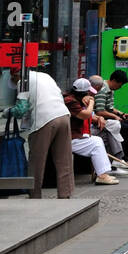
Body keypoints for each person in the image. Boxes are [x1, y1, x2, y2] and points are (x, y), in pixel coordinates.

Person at [27, 68, 73, 198]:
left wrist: (9, 111)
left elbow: (21, 108)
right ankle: (66, 193)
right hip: (63, 115)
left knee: (37, 160)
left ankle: (34, 194)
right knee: (64, 158)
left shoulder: (23, 81)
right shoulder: (45, 76)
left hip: (44, 119)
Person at [64, 78, 119, 185]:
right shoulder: (70, 101)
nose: (91, 96)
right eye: (89, 93)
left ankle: (104, 172)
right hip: (69, 138)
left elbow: (89, 116)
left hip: (76, 134)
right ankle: (102, 174)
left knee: (98, 140)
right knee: (96, 143)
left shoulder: (76, 100)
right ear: (83, 92)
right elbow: (86, 114)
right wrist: (91, 103)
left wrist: (98, 118)